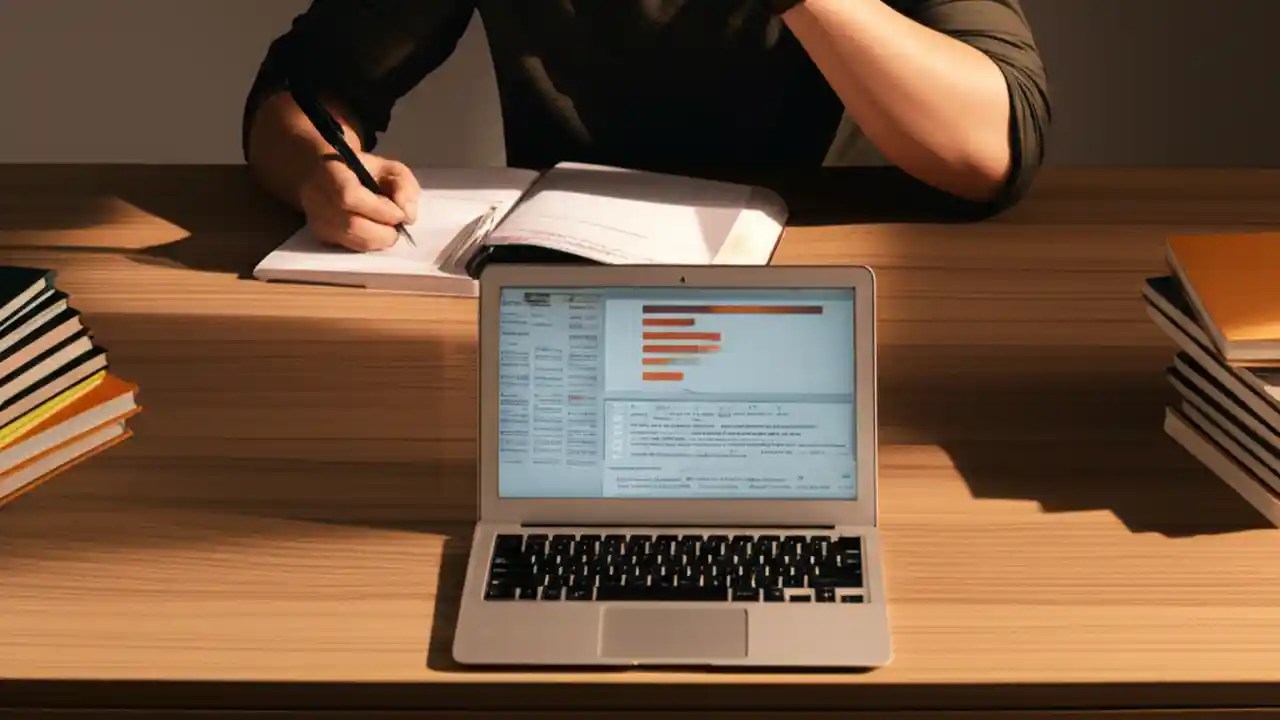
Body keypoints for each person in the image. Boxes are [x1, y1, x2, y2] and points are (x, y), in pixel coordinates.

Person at [243, 0, 1050, 252]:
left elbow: (994, 146)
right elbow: (304, 88)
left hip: (819, 289)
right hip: (572, 295)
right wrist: (320, 172)